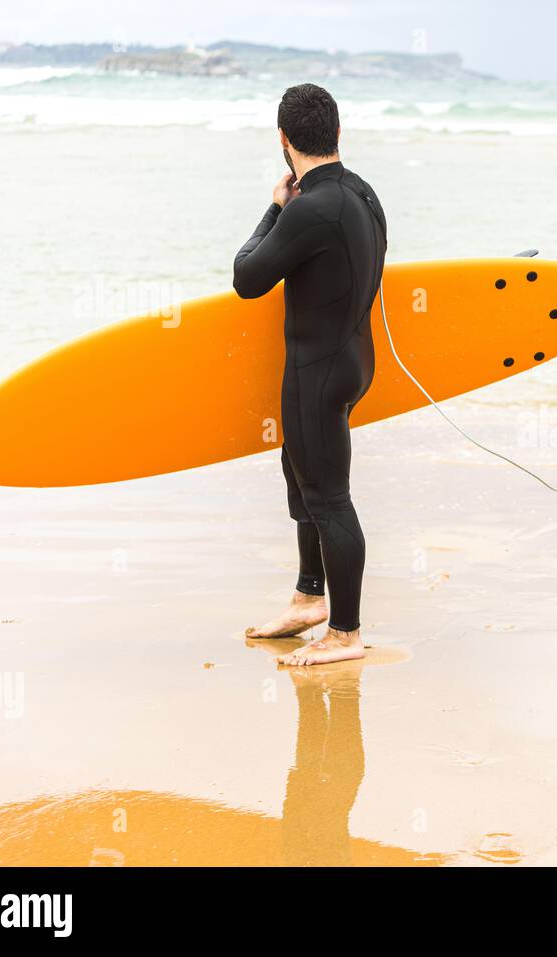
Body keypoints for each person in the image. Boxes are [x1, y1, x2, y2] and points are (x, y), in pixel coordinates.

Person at [234, 83, 388, 664]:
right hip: (352, 360)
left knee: (328, 500)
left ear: (283, 140)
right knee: (302, 479)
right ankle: (308, 597)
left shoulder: (307, 209)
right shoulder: (365, 196)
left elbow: (248, 275)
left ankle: (345, 633)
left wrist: (274, 206)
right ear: (338, 133)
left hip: (316, 371)